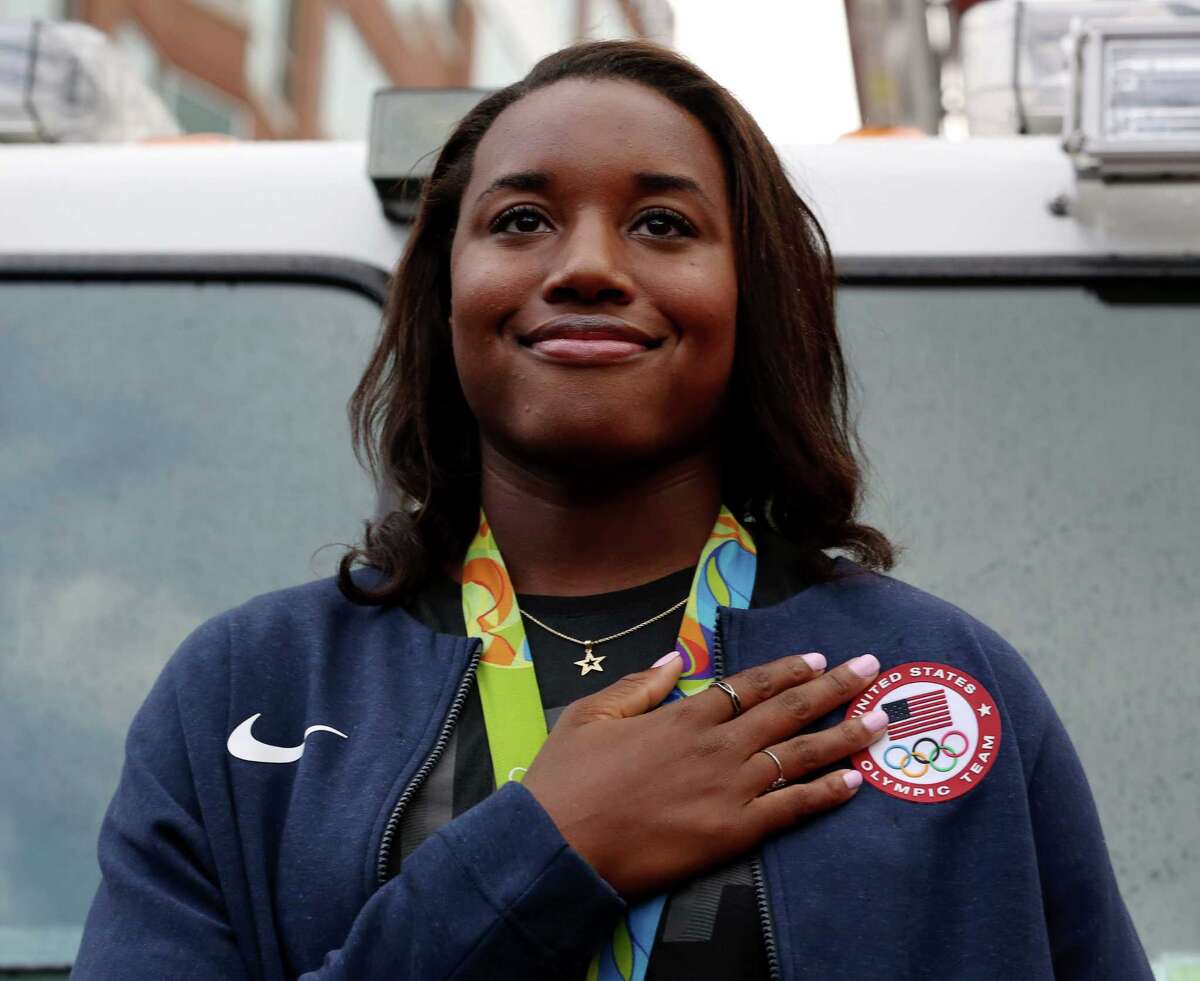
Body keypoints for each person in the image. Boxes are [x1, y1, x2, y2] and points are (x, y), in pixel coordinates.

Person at [73, 39, 1151, 981]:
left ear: (751, 294)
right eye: (524, 219)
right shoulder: (246, 684)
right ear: (449, 293)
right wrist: (550, 847)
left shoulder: (944, 677)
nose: (587, 266)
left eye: (663, 223)